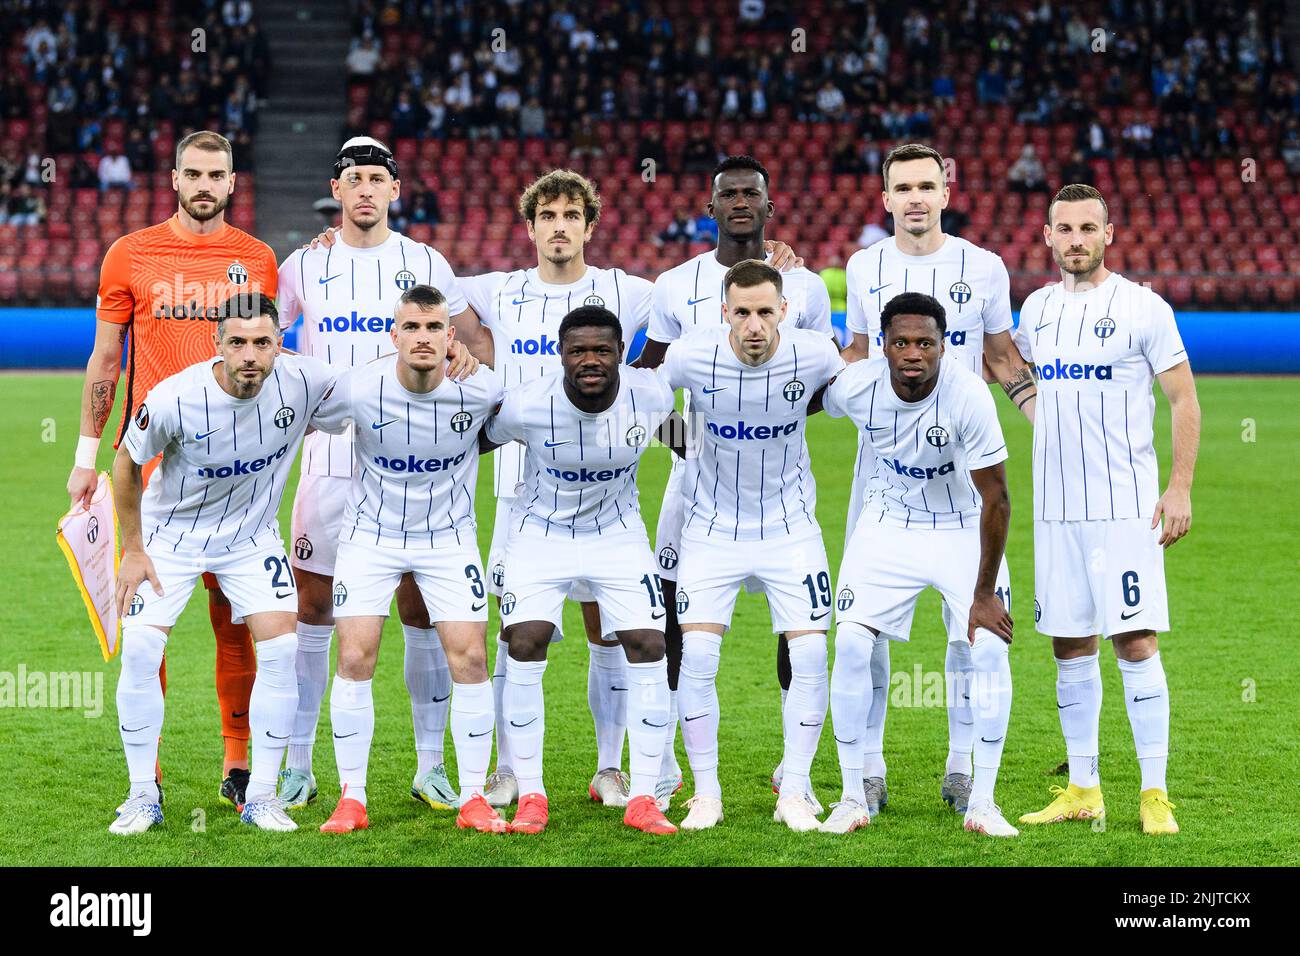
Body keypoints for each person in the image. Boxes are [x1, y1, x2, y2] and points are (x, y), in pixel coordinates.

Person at [275, 136, 487, 813]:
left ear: (396, 190)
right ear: (335, 191)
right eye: (353, 179)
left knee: (420, 607)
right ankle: (300, 765)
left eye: (377, 178)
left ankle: (430, 767)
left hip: (415, 464)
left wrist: (469, 362)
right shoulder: (301, 267)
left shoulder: (426, 262)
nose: (365, 189)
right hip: (331, 462)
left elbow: (473, 341)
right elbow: (265, 344)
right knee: (313, 611)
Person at [68, 130, 278, 811]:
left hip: (237, 472)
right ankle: (146, 779)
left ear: (232, 181)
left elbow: (264, 359)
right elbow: (106, 362)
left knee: (235, 619)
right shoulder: (130, 254)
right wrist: (84, 457)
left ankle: (239, 762)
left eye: (216, 174)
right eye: (193, 172)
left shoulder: (257, 259)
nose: (204, 184)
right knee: (146, 626)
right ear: (174, 177)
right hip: (151, 473)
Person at [838, 142, 1035, 818]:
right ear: (885, 198)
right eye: (904, 187)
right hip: (883, 477)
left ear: (946, 193)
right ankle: (867, 769)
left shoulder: (982, 267)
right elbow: (858, 355)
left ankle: (960, 766)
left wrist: (1041, 413)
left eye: (929, 185)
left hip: (965, 473)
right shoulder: (864, 266)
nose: (917, 197)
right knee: (865, 632)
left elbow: (1000, 354)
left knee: (969, 636)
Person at [633, 156, 832, 812]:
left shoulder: (803, 288)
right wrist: (686, 444)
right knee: (676, 629)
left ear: (769, 206)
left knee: (796, 636)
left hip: (783, 497)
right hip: (696, 490)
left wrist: (773, 416)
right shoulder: (674, 286)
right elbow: (647, 379)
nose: (741, 203)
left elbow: (822, 379)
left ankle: (790, 773)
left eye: (753, 194)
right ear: (711, 206)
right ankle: (666, 767)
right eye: (730, 194)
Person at [109, 294, 336, 834]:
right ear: (218, 345)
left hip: (252, 539)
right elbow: (126, 462)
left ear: (280, 343)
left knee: (282, 649)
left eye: (263, 342)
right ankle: (143, 795)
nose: (251, 355)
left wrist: (452, 355)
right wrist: (134, 549)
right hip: (171, 537)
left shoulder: (304, 381)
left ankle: (262, 797)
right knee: (141, 647)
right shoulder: (176, 397)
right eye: (238, 342)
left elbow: (379, 383)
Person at [1015, 184, 1199, 836]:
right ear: (1046, 236)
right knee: (1069, 645)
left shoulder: (1143, 307)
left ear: (1109, 233)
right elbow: (1011, 363)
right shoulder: (1034, 309)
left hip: (1125, 509)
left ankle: (1154, 792)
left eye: (1087, 228)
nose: (1075, 240)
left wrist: (1178, 488)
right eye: (1063, 229)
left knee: (1135, 639)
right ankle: (1084, 788)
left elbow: (1183, 401)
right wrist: (1033, 409)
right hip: (1056, 508)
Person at [817, 292, 1017, 837]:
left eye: (925, 342)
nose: (912, 353)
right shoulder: (857, 386)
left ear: (943, 345)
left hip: (960, 525)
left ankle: (982, 798)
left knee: (988, 648)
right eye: (900, 342)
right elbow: (806, 398)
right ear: (882, 345)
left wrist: (982, 597)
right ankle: (854, 793)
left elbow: (997, 499)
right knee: (854, 643)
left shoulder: (969, 396)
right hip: (886, 524)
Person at [311, 285, 506, 835]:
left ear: (451, 336)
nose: (424, 338)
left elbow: (512, 426)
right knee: (355, 656)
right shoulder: (357, 387)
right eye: (412, 328)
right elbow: (302, 412)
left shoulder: (481, 389)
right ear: (393, 336)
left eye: (435, 328)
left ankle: (472, 797)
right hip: (369, 538)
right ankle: (352, 797)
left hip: (449, 538)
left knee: (469, 658)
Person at [658, 260, 843, 832]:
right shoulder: (691, 354)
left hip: (792, 529)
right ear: (724, 314)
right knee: (700, 657)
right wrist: (686, 449)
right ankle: (707, 793)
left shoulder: (814, 354)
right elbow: (648, 399)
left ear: (785, 311)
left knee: (811, 655)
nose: (755, 325)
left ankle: (794, 788)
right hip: (711, 531)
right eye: (742, 313)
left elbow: (848, 396)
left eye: (766, 312)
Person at [481, 306, 680, 836]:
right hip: (539, 533)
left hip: (618, 534)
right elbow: (477, 438)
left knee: (649, 644)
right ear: (561, 355)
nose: (590, 361)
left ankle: (642, 796)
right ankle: (531, 794)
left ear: (621, 354)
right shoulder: (528, 404)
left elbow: (694, 447)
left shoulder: (652, 395)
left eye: (602, 350)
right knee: (523, 640)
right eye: (578, 351)